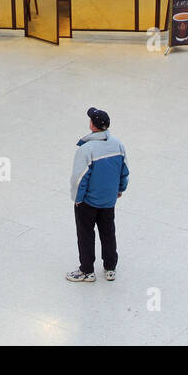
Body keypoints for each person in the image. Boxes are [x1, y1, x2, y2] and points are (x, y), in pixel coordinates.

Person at [66, 107, 128, 282]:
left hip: (88, 202)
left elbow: (79, 178)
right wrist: (120, 190)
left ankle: (87, 271)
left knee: (86, 234)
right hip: (109, 200)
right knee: (108, 232)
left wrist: (78, 199)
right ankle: (110, 268)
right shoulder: (118, 144)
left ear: (92, 126)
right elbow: (124, 171)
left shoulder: (87, 149)